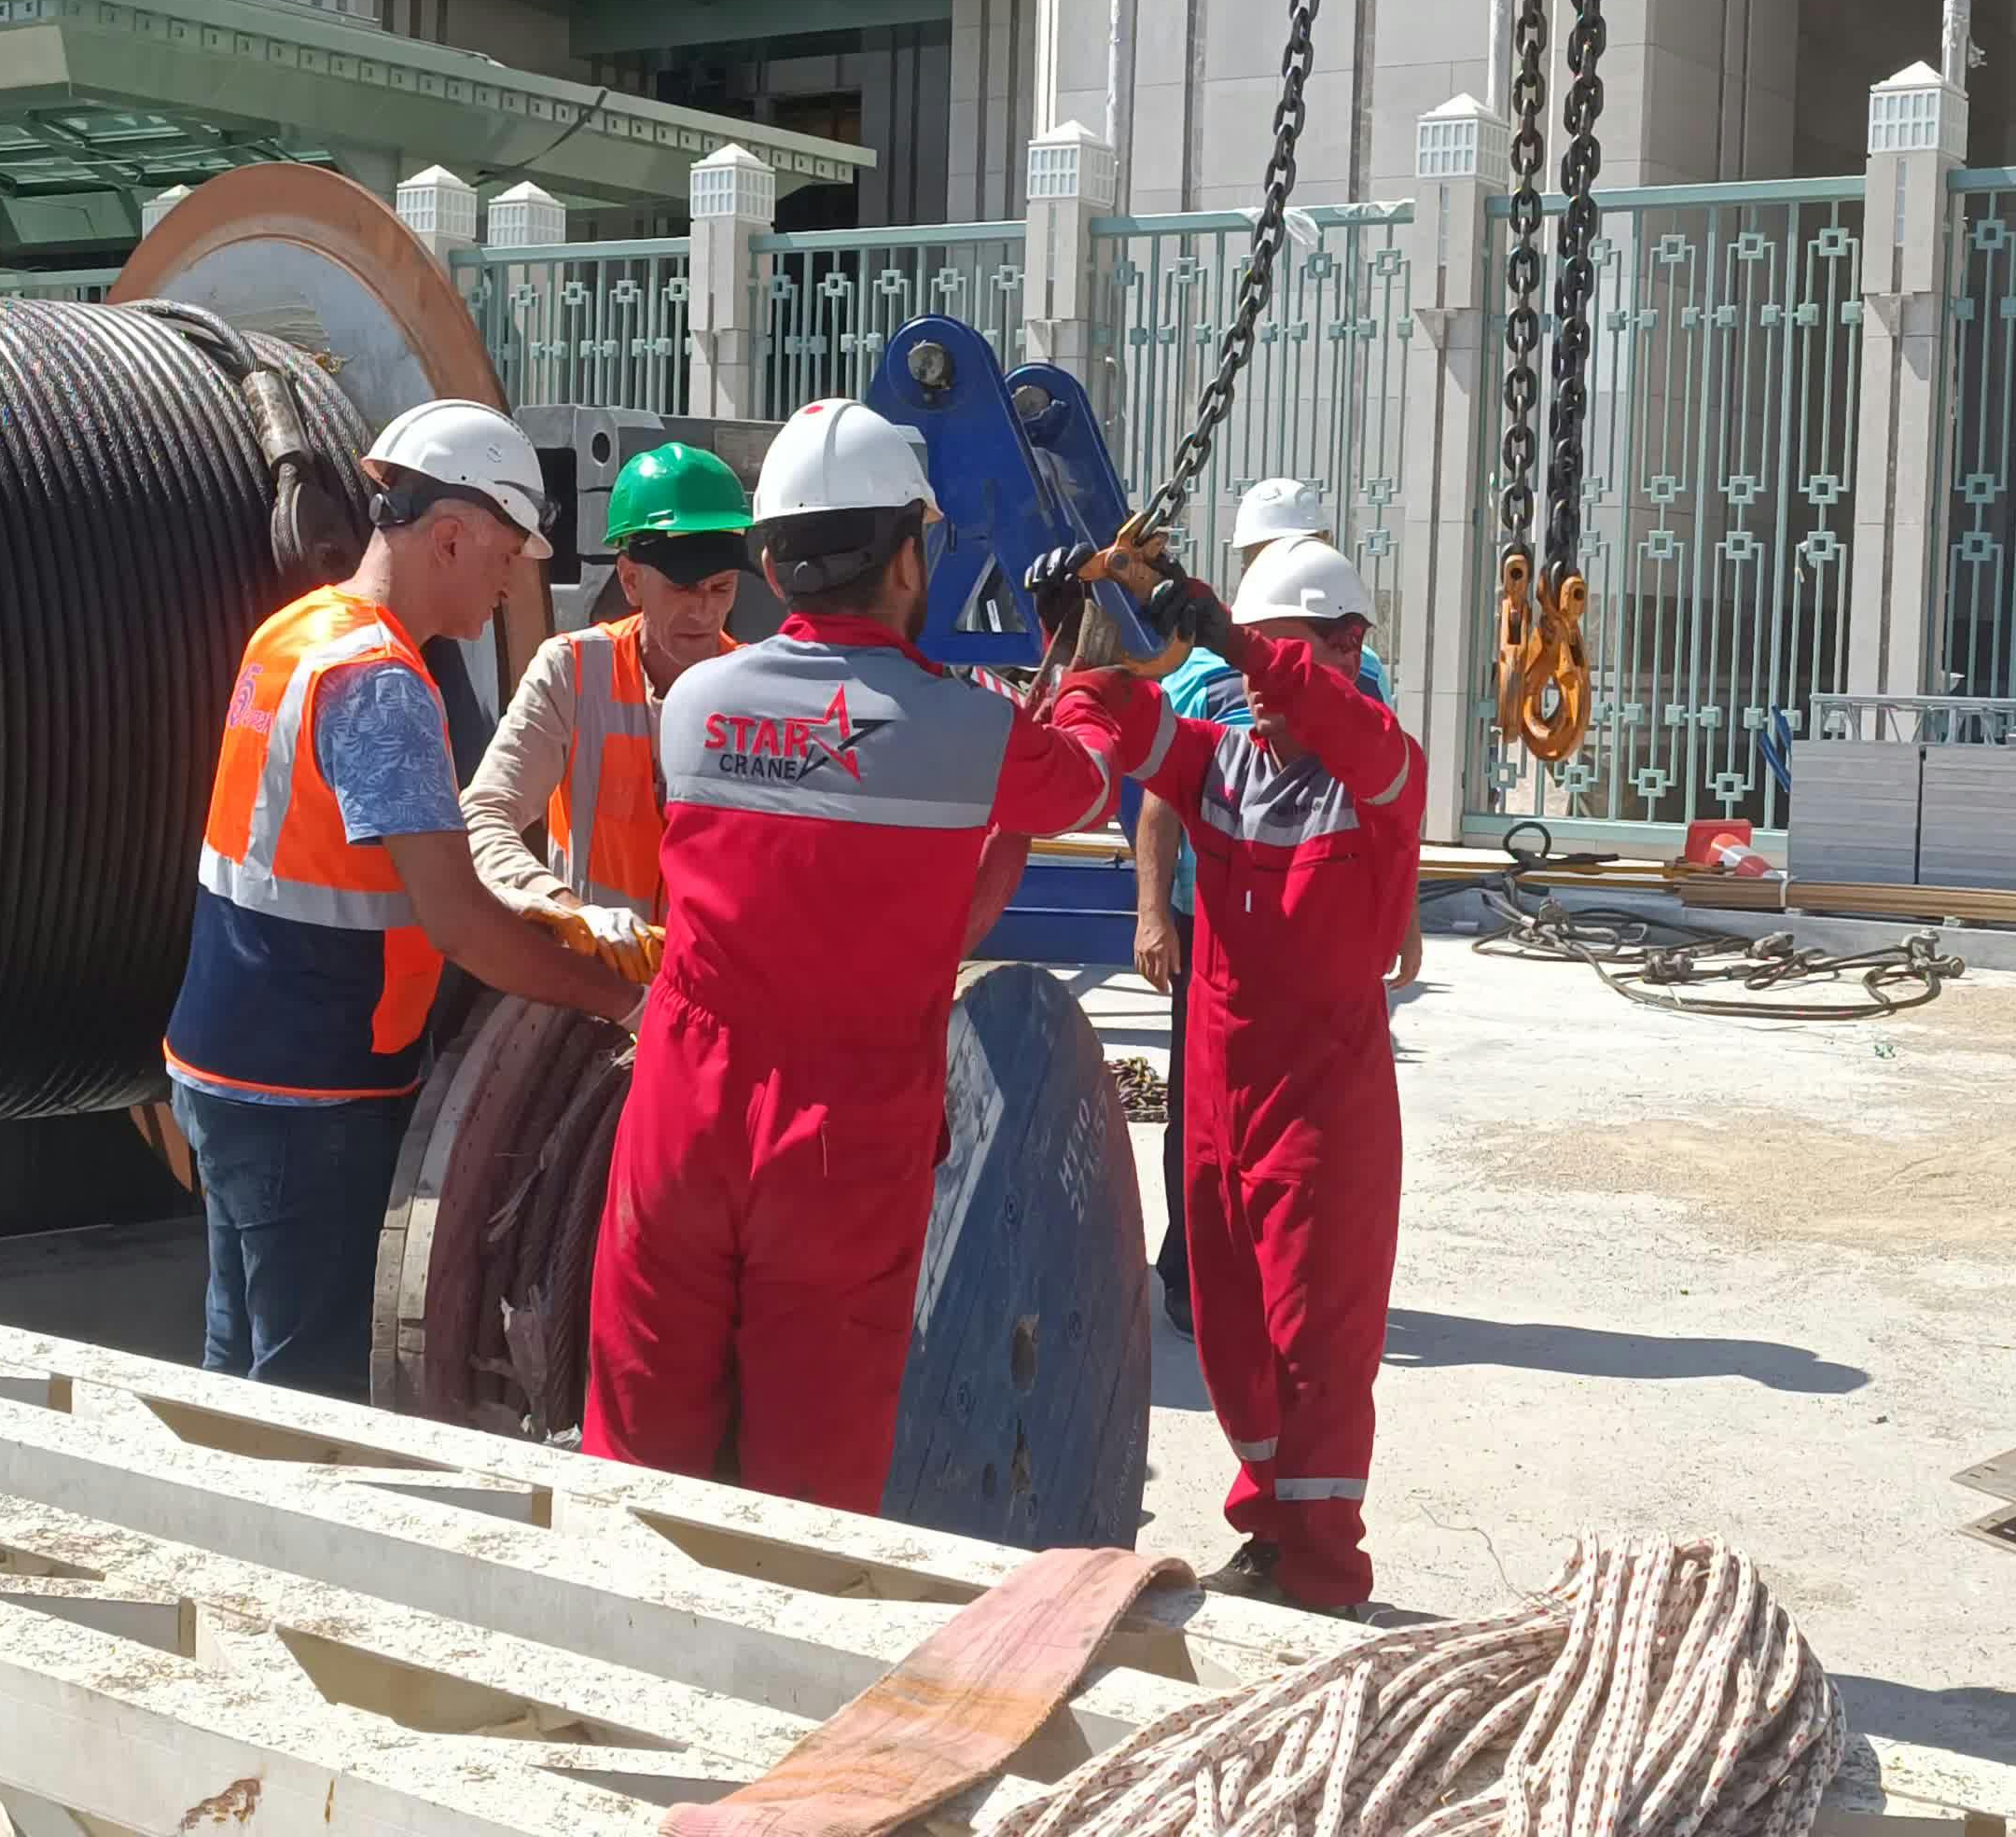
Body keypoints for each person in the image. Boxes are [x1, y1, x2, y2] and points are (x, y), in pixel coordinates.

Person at [581, 397, 1132, 1511]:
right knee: (811, 1483)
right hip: (843, 1136)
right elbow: (1078, 779)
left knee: (635, 1458)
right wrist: (1081, 671)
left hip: (681, 1111)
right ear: (910, 556)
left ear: (774, 566)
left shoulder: (692, 704)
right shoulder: (965, 730)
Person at [165, 399, 647, 1399]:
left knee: (233, 1367)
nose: (515, 578)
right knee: (307, 1393)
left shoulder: (294, 633)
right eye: (509, 552)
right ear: (453, 534)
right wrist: (614, 999)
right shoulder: (380, 683)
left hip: (223, 1064)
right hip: (310, 1092)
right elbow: (456, 918)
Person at [1046, 536, 1426, 1618]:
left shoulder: (1381, 770)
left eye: (1282, 655)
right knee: (1228, 1334)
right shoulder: (1224, 761)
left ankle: (1322, 1574)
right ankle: (1266, 1530)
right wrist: (1082, 625)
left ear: (1346, 652)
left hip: (1324, 1110)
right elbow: (1122, 724)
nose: (1257, 681)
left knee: (1318, 1347)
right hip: (1218, 1094)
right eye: (1251, 656)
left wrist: (1229, 630)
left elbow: (1344, 730)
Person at [1134, 477, 1419, 1338]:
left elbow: (1387, 793)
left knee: (1306, 1134)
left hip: (1313, 913)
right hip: (1212, 914)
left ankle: (1288, 1283)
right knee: (1205, 1109)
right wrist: (1153, 912)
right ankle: (1194, 1272)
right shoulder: (1195, 669)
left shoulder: (1355, 676)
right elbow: (1158, 794)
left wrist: (1398, 912)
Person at [461, 442, 750, 974]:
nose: (705, 610)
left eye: (721, 587)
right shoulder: (572, 671)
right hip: (597, 984)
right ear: (631, 579)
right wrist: (573, 915)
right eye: (684, 588)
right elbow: (484, 815)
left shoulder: (758, 691)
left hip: (716, 983)